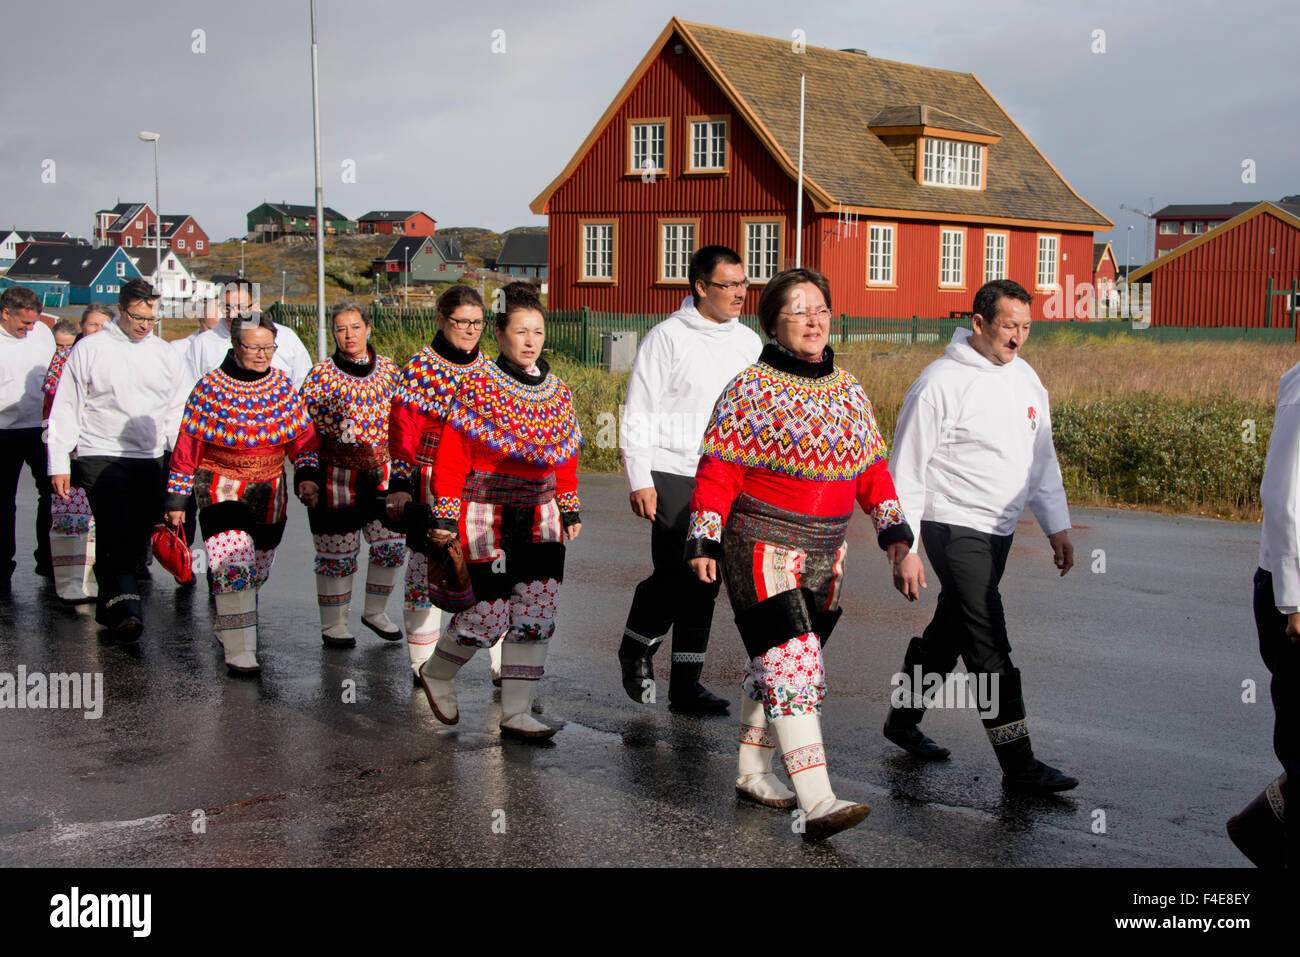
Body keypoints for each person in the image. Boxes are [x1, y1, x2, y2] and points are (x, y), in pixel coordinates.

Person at [685, 267, 914, 842]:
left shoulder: (851, 390)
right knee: (793, 663)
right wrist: (703, 536)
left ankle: (752, 772)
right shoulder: (749, 390)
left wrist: (896, 539)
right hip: (758, 544)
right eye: (799, 312)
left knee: (778, 664)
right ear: (773, 324)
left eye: (822, 310)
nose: (814, 321)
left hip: (825, 554)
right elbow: (718, 470)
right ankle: (817, 801)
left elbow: (872, 474)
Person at [882, 278, 1077, 794]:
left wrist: (1057, 524)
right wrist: (906, 546)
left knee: (953, 630)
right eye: (1009, 326)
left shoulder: (1027, 379)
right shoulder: (940, 382)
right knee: (987, 639)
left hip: (999, 530)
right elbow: (907, 468)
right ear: (979, 323)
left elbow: (1042, 459)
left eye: (1026, 328)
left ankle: (902, 719)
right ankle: (1019, 763)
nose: (1017, 338)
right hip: (952, 524)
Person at [417, 282, 581, 740]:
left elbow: (564, 453)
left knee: (537, 614)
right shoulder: (478, 386)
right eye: (521, 331)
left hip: (541, 515)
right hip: (485, 514)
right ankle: (438, 673)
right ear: (500, 334)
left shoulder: (557, 392)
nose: (531, 341)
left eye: (538, 332)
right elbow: (452, 456)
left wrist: (568, 506)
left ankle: (517, 712)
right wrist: (445, 516)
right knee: (487, 614)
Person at [618, 245, 762, 715]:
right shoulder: (667, 337)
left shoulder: (748, 342)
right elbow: (639, 408)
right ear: (701, 287)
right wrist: (639, 476)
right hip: (672, 468)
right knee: (678, 573)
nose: (741, 293)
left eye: (744, 283)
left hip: (727, 475)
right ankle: (637, 646)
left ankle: (686, 686)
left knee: (707, 577)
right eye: (730, 285)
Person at [164, 313, 319, 675]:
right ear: (235, 347)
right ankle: (241, 651)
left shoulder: (282, 386)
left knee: (258, 568)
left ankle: (229, 620)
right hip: (220, 484)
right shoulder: (209, 388)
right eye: (254, 347)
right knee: (233, 562)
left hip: (271, 488)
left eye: (269, 347)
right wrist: (176, 499)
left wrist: (307, 475)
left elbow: (302, 438)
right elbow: (188, 445)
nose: (263, 354)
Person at [47, 281, 185, 640]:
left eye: (151, 319)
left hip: (150, 455)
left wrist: (178, 462)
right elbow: (67, 405)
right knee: (115, 529)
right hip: (99, 452)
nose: (144, 325)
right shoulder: (91, 349)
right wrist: (59, 460)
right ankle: (127, 610)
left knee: (136, 534)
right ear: (121, 310)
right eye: (138, 317)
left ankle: (112, 608)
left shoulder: (166, 354)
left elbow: (175, 410)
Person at [386, 286, 491, 681]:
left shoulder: (490, 369)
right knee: (425, 562)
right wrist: (400, 482)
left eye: (477, 323)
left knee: (484, 563)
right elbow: (402, 430)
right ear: (441, 321)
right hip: (430, 475)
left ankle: (498, 665)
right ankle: (422, 662)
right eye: (461, 322)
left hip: (479, 477)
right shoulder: (419, 368)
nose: (469, 330)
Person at [298, 302, 405, 648]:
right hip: (334, 476)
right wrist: (307, 475)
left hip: (381, 475)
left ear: (368, 329)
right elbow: (305, 432)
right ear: (334, 334)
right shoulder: (319, 375)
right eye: (341, 329)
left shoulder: (390, 371)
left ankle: (374, 611)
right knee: (337, 554)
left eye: (355, 327)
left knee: (391, 546)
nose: (349, 335)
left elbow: (402, 422)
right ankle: (334, 623)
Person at [1228, 361, 1300, 867]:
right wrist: (1294, 599)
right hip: (1291, 592)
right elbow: (1283, 497)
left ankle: (1260, 828)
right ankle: (1266, 835)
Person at [41, 304, 112, 602]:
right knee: (72, 516)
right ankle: (71, 583)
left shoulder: (116, 358)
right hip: (74, 451)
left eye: (105, 325)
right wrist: (57, 453)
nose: (99, 330)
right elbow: (54, 409)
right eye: (93, 325)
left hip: (108, 449)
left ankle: (104, 578)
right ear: (83, 327)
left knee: (106, 519)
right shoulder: (65, 359)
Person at [0, 285, 55, 595]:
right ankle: (2, 567)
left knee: (51, 494)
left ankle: (48, 561)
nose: (30, 329)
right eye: (24, 323)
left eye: (34, 322)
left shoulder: (42, 335)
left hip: (40, 428)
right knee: (3, 502)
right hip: (3, 430)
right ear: (5, 313)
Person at [181, 281, 312, 390]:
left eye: (240, 307)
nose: (232, 314)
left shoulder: (286, 338)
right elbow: (188, 388)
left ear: (255, 306)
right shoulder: (203, 344)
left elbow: (304, 383)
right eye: (227, 308)